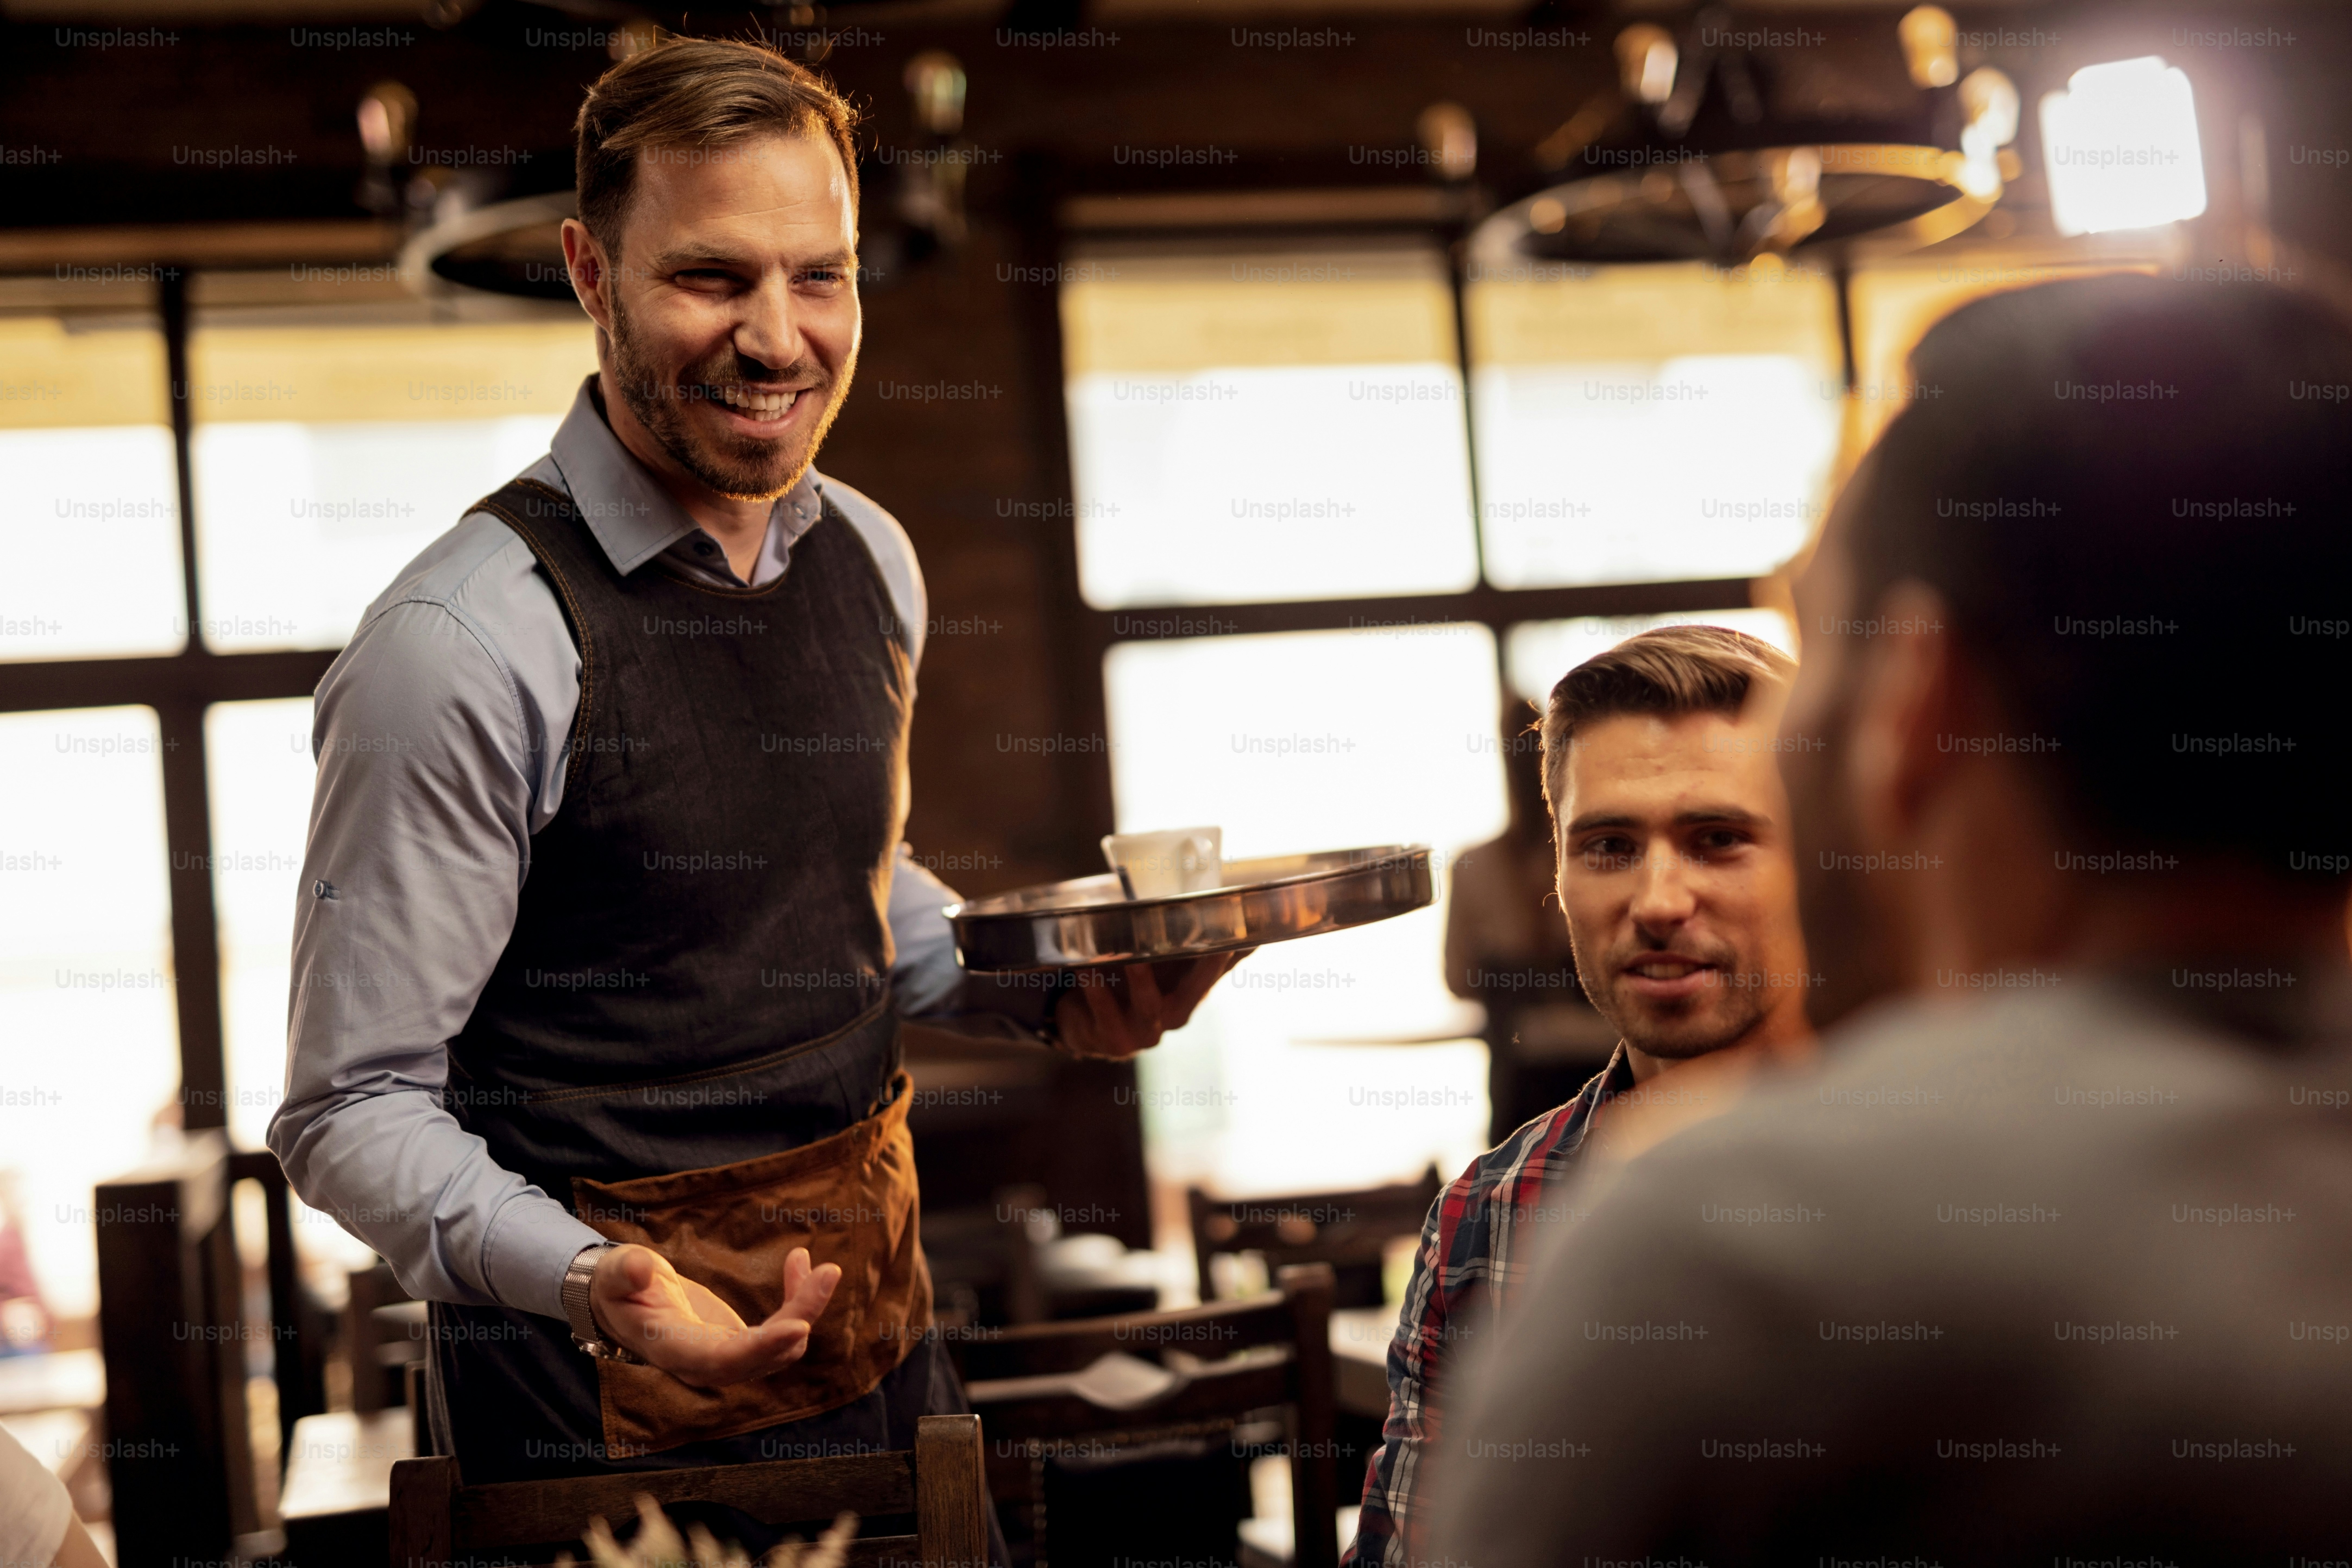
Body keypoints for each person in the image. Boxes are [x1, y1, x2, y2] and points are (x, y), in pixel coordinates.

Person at [268, 38, 1235, 1527]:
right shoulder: (456, 648)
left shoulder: (872, 558)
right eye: (712, 278)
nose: (778, 338)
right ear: (591, 275)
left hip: (886, 1357)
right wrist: (593, 1279)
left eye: (821, 276)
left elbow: (840, 890)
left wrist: (1044, 981)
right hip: (589, 1419)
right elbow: (348, 1111)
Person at [1433, 274, 2352, 1563]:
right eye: (1607, 844)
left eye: (1818, 635)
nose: (1660, 897)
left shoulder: (1734, 1244)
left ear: (1916, 698)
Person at [1346, 625, 1814, 1567]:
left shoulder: (1942, 1183)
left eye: (1717, 838)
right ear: (1558, 873)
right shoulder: (1487, 1212)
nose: (1657, 900)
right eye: (1607, 846)